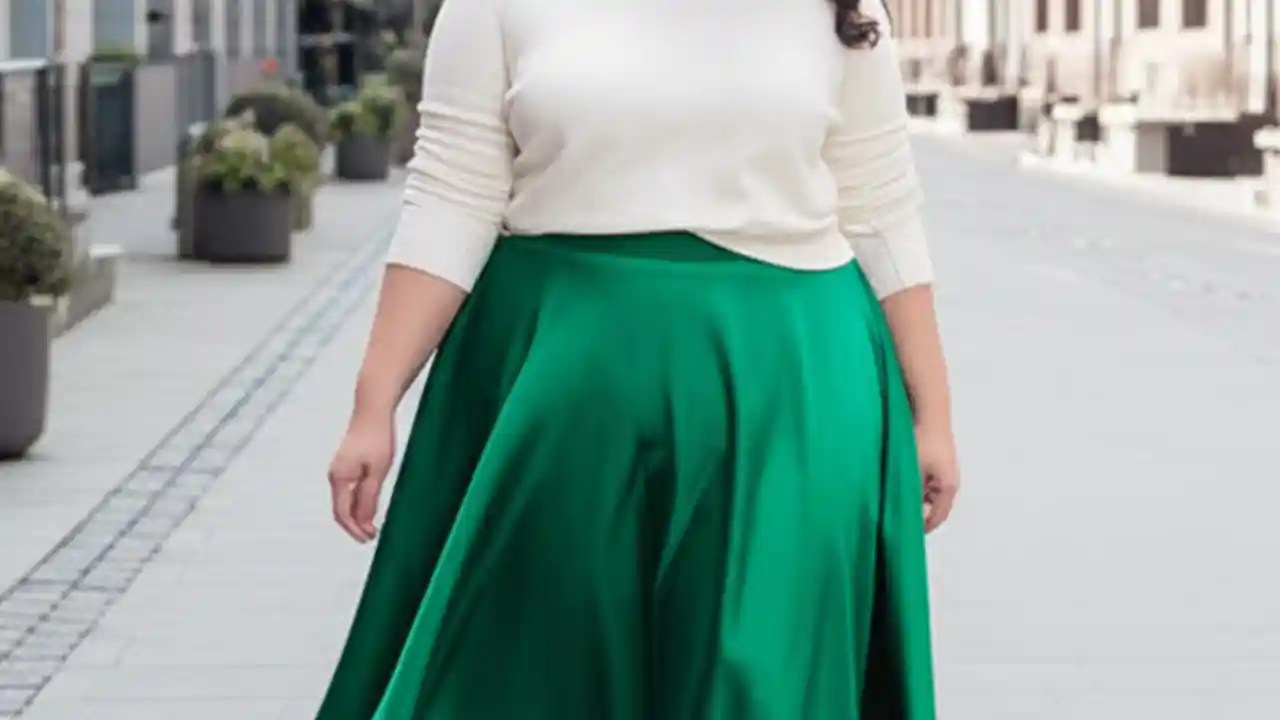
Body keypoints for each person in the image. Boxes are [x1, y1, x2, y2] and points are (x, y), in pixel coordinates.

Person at [317, 0, 958, 717]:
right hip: (563, 401)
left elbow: (880, 207)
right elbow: (451, 197)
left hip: (791, 392)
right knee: (544, 671)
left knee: (763, 677)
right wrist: (374, 404)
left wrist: (933, 412)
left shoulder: (842, 10)